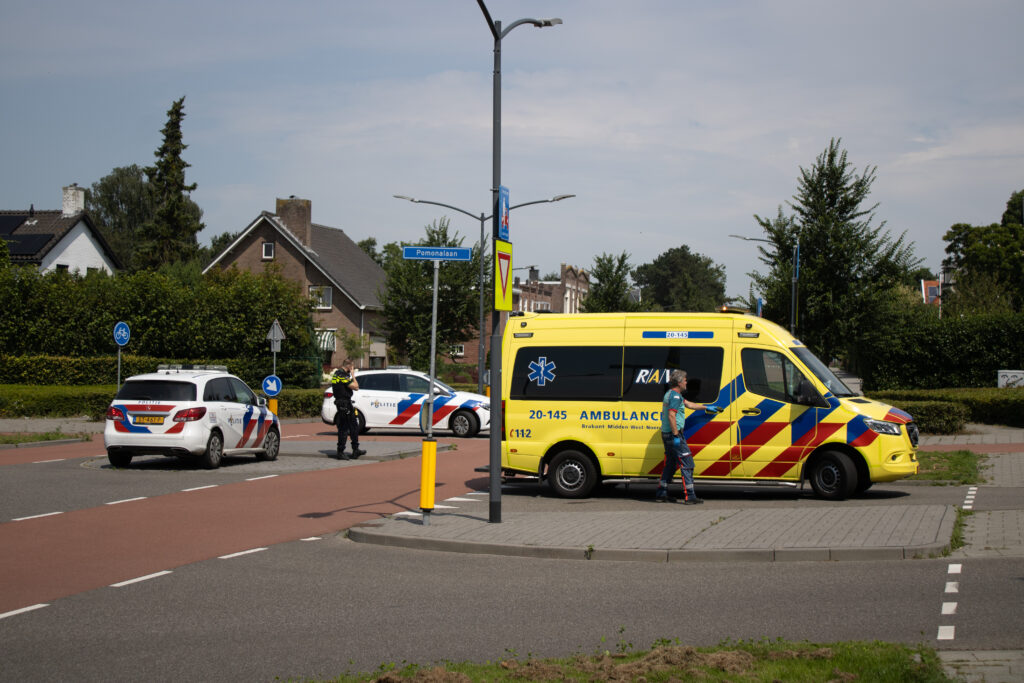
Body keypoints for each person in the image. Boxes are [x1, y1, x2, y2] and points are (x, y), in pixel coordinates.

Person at [656, 369, 716, 504]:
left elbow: (689, 404)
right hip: (674, 434)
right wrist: (676, 436)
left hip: (667, 434)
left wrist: (706, 408)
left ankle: (661, 493)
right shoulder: (675, 397)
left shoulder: (671, 394)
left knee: (670, 464)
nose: (686, 382)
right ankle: (690, 496)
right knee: (687, 463)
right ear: (679, 382)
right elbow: (671, 415)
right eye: (684, 380)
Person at [331, 359, 366, 460]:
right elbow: (356, 387)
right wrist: (353, 375)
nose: (353, 369)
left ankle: (355, 450)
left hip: (346, 403)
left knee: (354, 426)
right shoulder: (342, 375)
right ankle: (340, 451)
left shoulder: (338, 374)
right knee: (344, 428)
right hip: (343, 404)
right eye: (352, 367)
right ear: (349, 366)